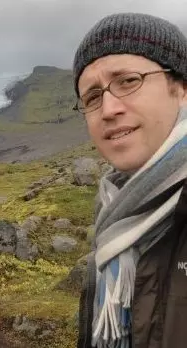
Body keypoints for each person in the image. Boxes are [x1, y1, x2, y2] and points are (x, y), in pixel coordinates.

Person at [72, 12, 187, 348]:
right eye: (92, 96)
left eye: (128, 81)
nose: (108, 108)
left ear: (180, 89)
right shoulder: (113, 215)